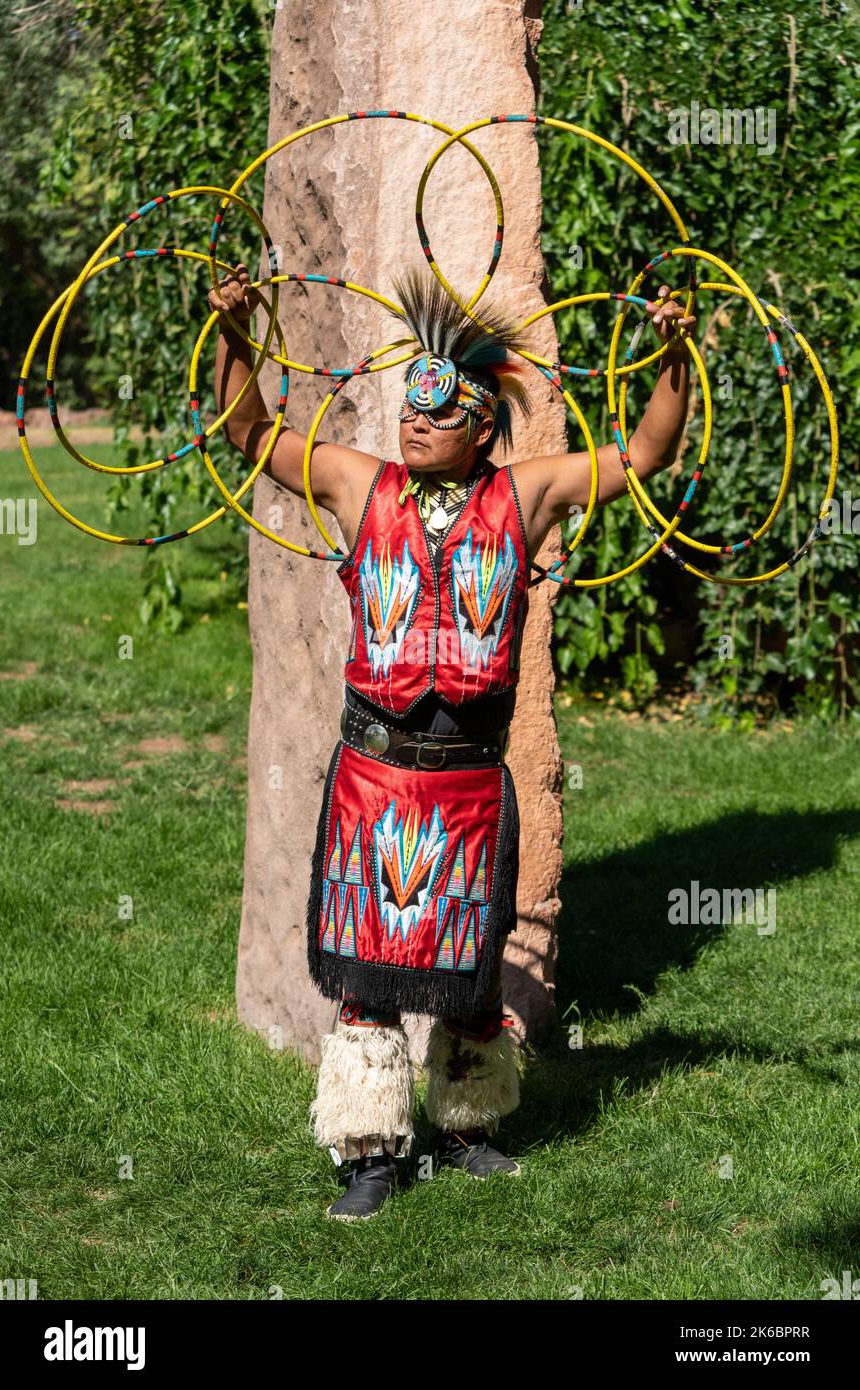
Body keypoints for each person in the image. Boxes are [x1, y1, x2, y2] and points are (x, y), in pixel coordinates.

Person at [211, 262, 695, 1221]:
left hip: (471, 778)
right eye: (410, 405)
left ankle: (470, 1128)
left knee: (470, 968)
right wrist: (235, 332)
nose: (416, 419)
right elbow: (252, 435)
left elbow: (642, 456)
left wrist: (677, 353)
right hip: (373, 779)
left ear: (483, 424)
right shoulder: (359, 485)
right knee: (367, 972)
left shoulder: (525, 495)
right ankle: (369, 1151)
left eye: (441, 409)